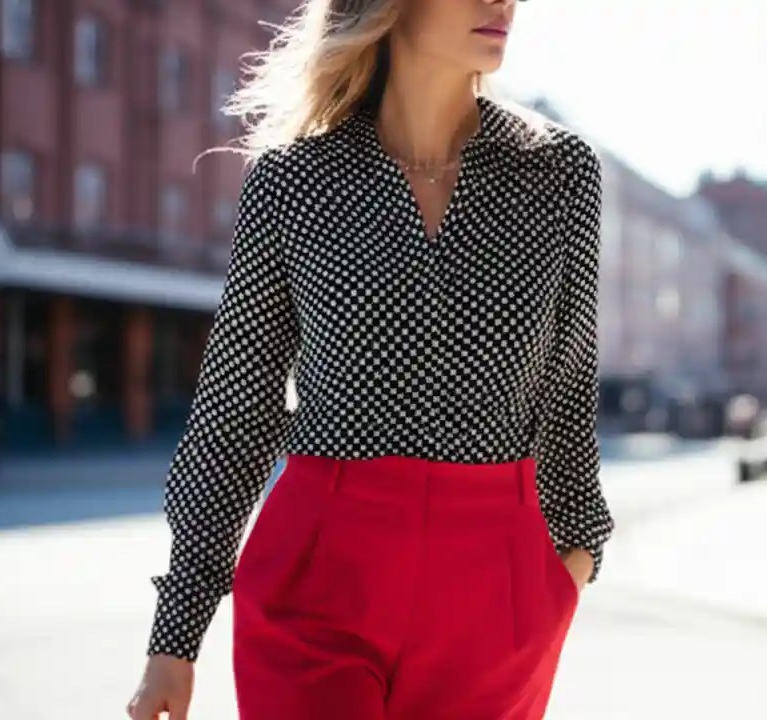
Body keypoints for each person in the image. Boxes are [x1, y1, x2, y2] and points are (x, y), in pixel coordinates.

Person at [125, 1, 615, 718]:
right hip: (319, 582)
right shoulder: (294, 184)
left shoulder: (559, 175)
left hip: (493, 593)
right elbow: (236, 412)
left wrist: (572, 565)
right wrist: (175, 636)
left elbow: (567, 392)